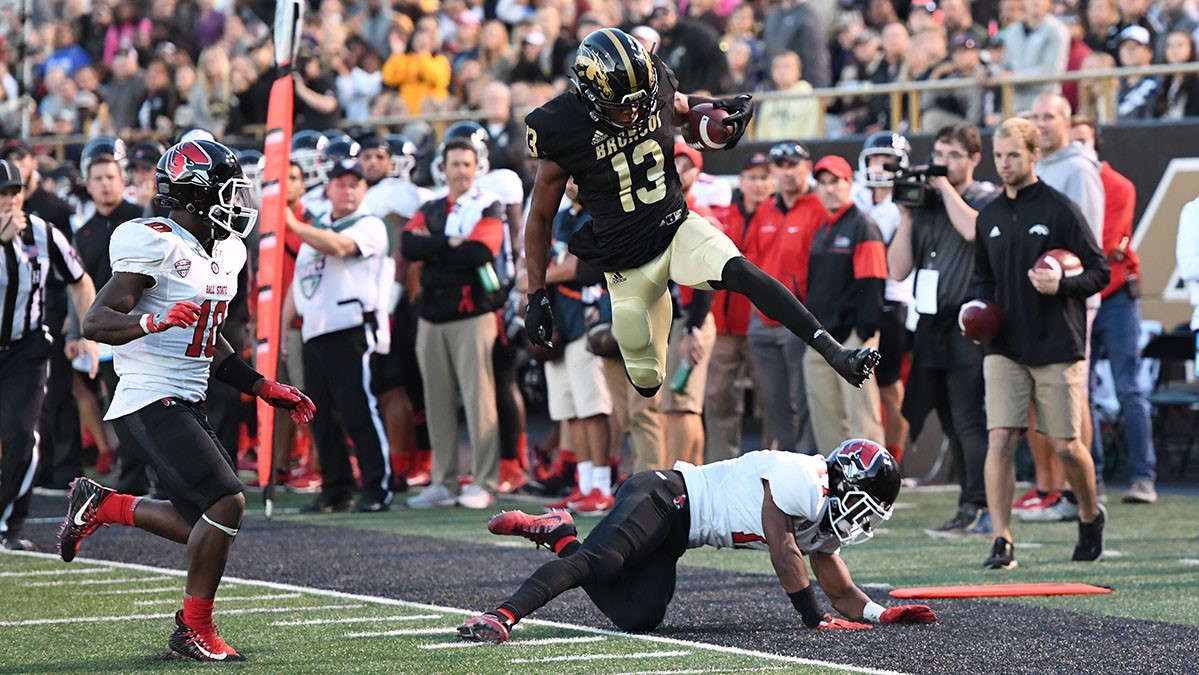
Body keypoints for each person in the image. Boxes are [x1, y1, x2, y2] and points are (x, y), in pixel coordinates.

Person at [523, 29, 880, 427]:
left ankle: (834, 352)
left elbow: (677, 107)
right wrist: (535, 292)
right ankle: (650, 318)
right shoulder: (560, 126)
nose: (635, 113)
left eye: (641, 103)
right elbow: (539, 216)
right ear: (589, 96)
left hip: (675, 227)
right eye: (623, 108)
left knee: (741, 270)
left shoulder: (650, 85)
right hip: (624, 260)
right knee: (646, 380)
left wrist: (717, 112)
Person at [60, 139, 315, 661]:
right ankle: (193, 628)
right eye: (227, 190)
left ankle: (104, 505)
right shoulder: (157, 242)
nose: (236, 202)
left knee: (202, 518)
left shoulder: (226, 251)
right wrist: (150, 320)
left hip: (185, 396)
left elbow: (211, 343)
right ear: (195, 193)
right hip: (148, 395)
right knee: (227, 501)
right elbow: (97, 320)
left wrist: (263, 387)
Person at [456, 439, 937, 642]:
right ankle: (502, 615)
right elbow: (783, 549)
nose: (864, 518)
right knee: (600, 565)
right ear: (849, 483)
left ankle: (560, 535)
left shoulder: (821, 513)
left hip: (678, 535)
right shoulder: (804, 478)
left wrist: (881, 614)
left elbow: (839, 589)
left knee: (639, 617)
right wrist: (814, 621)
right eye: (867, 501)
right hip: (666, 496)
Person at [972, 118, 1110, 570]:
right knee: (1001, 439)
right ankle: (1001, 538)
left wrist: (1063, 283)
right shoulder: (989, 215)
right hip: (1004, 346)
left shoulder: (1060, 208)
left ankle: (1089, 515)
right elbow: (983, 280)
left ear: (1034, 155)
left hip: (1056, 343)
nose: (1005, 164)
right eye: (999, 156)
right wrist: (974, 315)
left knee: (1067, 445)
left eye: (1014, 154)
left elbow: (1100, 272)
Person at [889, 123, 998, 537]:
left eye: (954, 155)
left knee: (969, 418)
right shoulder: (928, 206)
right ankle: (968, 502)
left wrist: (944, 186)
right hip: (932, 323)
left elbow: (974, 230)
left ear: (974, 159)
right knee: (951, 419)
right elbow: (896, 268)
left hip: (967, 322)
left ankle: (982, 505)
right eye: (939, 154)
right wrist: (905, 216)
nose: (944, 164)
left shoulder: (982, 197)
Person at [403, 138, 506, 510]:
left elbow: (481, 251)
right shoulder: (430, 206)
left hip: (472, 314)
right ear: (442, 168)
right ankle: (443, 480)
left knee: (480, 400)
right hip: (432, 315)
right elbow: (408, 246)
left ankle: (485, 480)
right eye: (454, 164)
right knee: (437, 400)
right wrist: (451, 243)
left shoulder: (488, 203)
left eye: (467, 164)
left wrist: (435, 246)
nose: (460, 171)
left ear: (476, 167)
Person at [287, 158, 393, 514]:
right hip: (315, 328)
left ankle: (377, 487)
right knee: (320, 415)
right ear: (328, 188)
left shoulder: (370, 224)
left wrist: (291, 224)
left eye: (354, 184)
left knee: (357, 410)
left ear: (364, 189)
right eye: (340, 183)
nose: (346, 190)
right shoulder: (316, 227)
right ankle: (336, 487)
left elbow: (340, 247)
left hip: (351, 326)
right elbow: (301, 277)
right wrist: (284, 325)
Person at [0, 160, 96, 550]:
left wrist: (86, 332)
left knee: (22, 436)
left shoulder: (43, 232)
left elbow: (80, 280)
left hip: (27, 348)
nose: (8, 201)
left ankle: (9, 525)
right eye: (1, 194)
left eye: (14, 192)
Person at [1022, 91, 1106, 522]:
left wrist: (1066, 283)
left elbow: (1088, 247)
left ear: (1067, 121)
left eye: (1050, 116)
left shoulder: (1077, 169)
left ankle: (1081, 493)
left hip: (1070, 299)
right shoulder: (1040, 168)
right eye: (1035, 115)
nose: (1041, 123)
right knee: (1040, 397)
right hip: (1036, 298)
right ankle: (1052, 488)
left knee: (1072, 396)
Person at [1069, 116, 1157, 505]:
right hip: (1079, 294)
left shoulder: (1118, 185)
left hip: (1115, 294)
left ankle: (1144, 476)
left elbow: (1105, 244)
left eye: (1082, 141)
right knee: (1081, 390)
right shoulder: (1062, 179)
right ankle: (1095, 477)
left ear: (1095, 146)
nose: (1076, 149)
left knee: (1129, 387)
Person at [803, 155, 887, 456]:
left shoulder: (863, 225)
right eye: (822, 183)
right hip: (822, 338)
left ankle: (876, 484)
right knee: (826, 417)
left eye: (834, 182)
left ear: (849, 184)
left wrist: (864, 333)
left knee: (861, 416)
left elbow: (874, 282)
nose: (828, 189)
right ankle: (836, 482)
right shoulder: (822, 230)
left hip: (852, 336)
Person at [707, 152, 773, 463]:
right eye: (752, 177)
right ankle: (721, 465)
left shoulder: (780, 215)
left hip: (766, 323)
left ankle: (776, 465)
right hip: (724, 327)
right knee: (719, 399)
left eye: (764, 177)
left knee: (773, 399)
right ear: (741, 181)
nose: (758, 184)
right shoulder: (722, 216)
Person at [854, 132, 914, 464]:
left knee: (889, 385)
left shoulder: (907, 203)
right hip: (857, 296)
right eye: (874, 160)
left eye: (888, 161)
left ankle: (893, 458)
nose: (879, 167)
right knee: (860, 387)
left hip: (894, 297)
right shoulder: (854, 197)